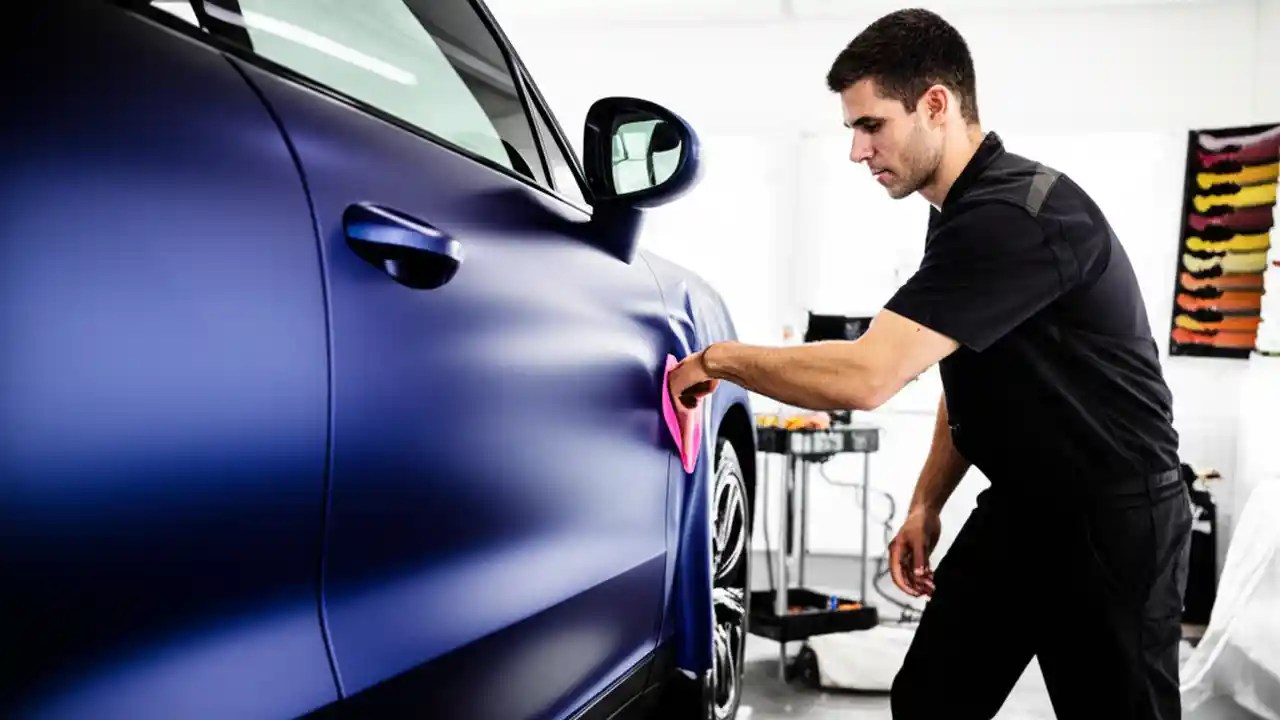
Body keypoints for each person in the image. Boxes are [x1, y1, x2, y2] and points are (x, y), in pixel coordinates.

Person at [668, 9, 1192, 720]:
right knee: (931, 700)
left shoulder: (1015, 216)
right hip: (1023, 508)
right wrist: (925, 504)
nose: (857, 150)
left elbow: (867, 376)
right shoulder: (960, 212)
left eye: (871, 124)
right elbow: (969, 376)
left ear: (936, 104)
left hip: (1113, 517)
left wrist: (715, 360)